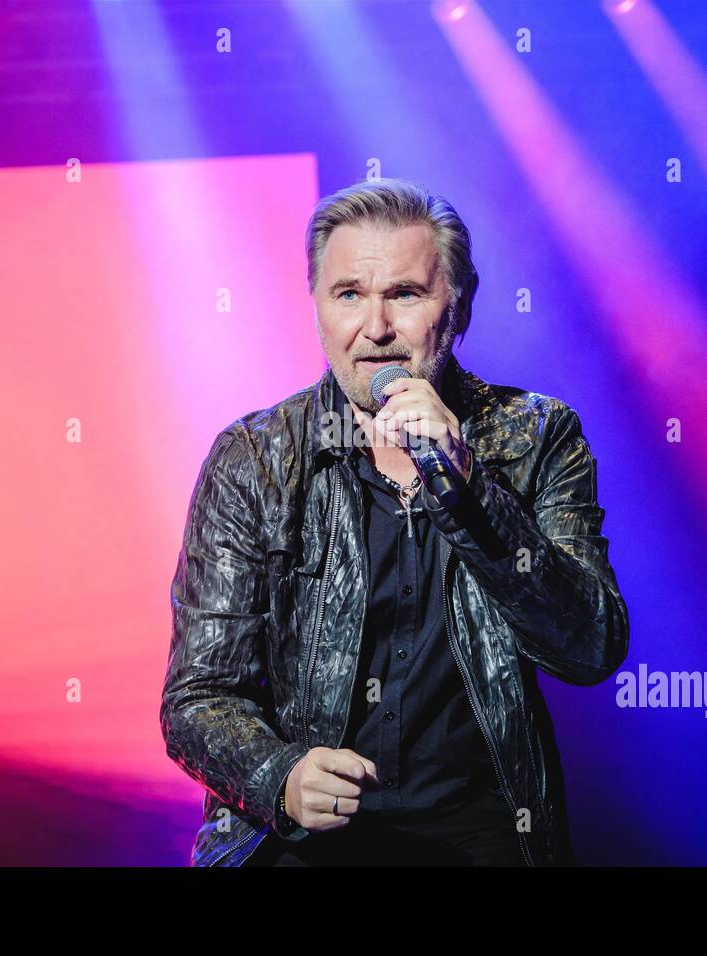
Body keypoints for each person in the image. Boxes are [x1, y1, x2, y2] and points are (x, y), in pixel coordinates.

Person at [161, 178, 629, 866]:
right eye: (349, 294)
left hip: (481, 831)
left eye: (405, 295)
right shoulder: (255, 457)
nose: (375, 329)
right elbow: (197, 697)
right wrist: (279, 777)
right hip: (302, 838)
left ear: (458, 307)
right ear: (318, 308)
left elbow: (589, 646)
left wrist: (470, 487)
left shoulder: (536, 436)